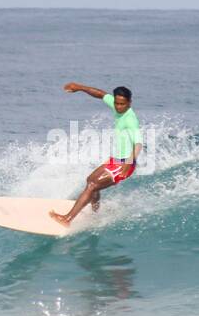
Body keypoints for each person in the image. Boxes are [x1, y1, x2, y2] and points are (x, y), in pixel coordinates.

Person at [49, 82, 142, 227]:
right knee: (90, 180)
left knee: (92, 185)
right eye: (116, 103)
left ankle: (67, 219)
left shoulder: (131, 120)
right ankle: (96, 213)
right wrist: (80, 87)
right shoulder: (117, 105)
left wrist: (129, 163)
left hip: (125, 163)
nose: (118, 107)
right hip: (115, 160)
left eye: (122, 104)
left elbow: (138, 144)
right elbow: (101, 94)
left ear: (129, 103)